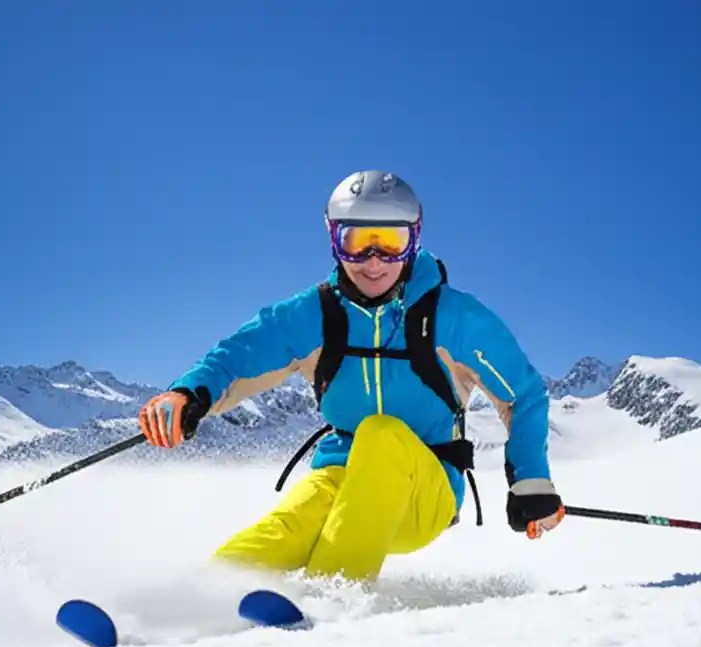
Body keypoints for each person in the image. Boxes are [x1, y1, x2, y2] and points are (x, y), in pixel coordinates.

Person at [137, 170, 564, 583]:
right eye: (357, 241)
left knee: (380, 435)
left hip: (424, 493)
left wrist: (530, 481)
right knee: (293, 521)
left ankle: (328, 599)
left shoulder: (454, 317)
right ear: (333, 239)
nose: (374, 261)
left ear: (413, 241)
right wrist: (188, 392)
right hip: (340, 475)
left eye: (391, 242)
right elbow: (238, 356)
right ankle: (194, 600)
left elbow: (522, 395)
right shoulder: (315, 315)